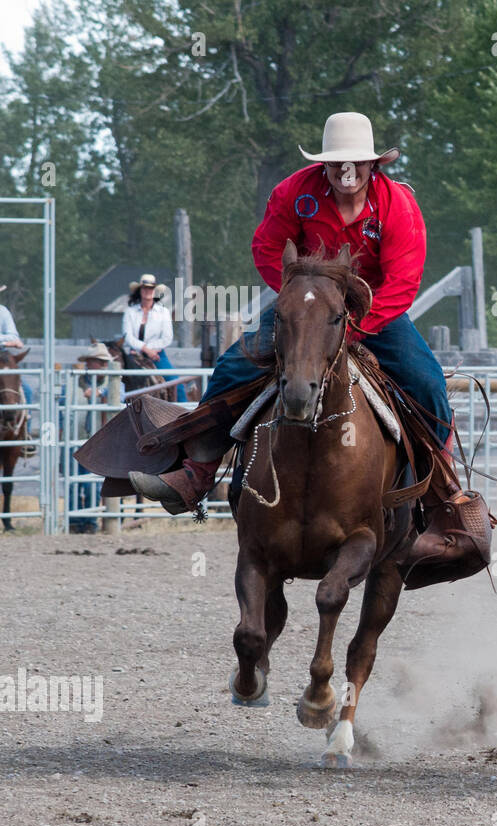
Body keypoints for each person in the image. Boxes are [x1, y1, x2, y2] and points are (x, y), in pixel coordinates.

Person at [131, 111, 453, 515]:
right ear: (324, 164)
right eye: (336, 161)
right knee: (232, 367)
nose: (346, 169)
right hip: (306, 308)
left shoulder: (396, 204)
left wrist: (355, 326)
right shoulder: (294, 192)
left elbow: (403, 280)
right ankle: (198, 470)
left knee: (427, 382)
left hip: (374, 312)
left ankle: (445, 492)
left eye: (354, 160)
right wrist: (295, 298)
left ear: (373, 164)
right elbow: (267, 248)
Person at [121, 274, 187, 403]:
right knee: (119, 386)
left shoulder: (163, 312)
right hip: (134, 355)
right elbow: (127, 335)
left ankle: (186, 412)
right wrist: (145, 349)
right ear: (140, 290)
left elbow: (167, 338)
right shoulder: (130, 312)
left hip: (157, 355)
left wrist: (150, 350)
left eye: (151, 288)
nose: (148, 291)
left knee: (175, 383)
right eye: (145, 288)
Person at [69, 342, 112, 533]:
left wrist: (101, 392)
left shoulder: (112, 382)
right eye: (99, 362)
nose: (103, 366)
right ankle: (74, 521)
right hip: (73, 439)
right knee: (73, 483)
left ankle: (90, 521)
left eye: (105, 362)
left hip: (96, 443)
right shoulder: (73, 381)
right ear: (89, 363)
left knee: (90, 484)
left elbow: (122, 393)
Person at [0, 285, 35, 409]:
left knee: (27, 392)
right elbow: (12, 340)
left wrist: (5, 342)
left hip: (2, 357)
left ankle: (25, 425)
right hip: (3, 352)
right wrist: (5, 341)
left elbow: (13, 336)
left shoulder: (2, 312)